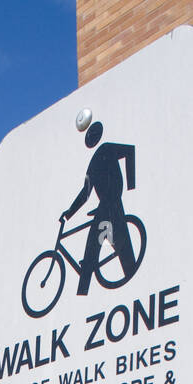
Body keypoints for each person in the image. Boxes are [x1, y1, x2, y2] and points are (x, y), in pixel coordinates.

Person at [61, 120, 136, 294]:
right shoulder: (93, 164)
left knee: (98, 245)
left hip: (112, 201)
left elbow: (129, 151)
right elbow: (85, 193)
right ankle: (83, 291)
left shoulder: (106, 149)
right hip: (105, 205)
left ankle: (83, 290)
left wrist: (131, 186)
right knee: (110, 242)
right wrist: (69, 213)